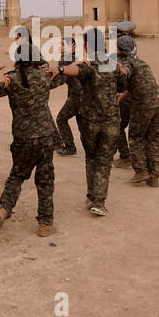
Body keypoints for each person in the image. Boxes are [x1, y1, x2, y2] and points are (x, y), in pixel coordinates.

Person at [0, 30, 56, 237]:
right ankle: (45, 223)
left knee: (16, 176)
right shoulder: (44, 77)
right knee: (45, 180)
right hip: (45, 136)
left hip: (23, 138)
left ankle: (4, 209)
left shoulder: (12, 79)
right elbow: (56, 76)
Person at [56, 27, 121, 217]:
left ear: (86, 45)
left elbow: (72, 71)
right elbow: (123, 81)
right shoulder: (113, 64)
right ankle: (98, 200)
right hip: (110, 121)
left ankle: (93, 197)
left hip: (90, 121)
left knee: (91, 158)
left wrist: (59, 68)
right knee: (104, 160)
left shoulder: (87, 65)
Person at [115, 35, 159, 187]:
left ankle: (141, 171)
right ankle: (154, 177)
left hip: (143, 106)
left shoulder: (126, 62)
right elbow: (135, 86)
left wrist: (118, 69)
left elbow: (125, 72)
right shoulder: (142, 63)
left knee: (136, 138)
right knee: (155, 140)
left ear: (120, 50)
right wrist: (121, 97)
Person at [111, 21, 136, 168]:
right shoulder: (133, 53)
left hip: (123, 96)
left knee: (119, 126)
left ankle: (126, 157)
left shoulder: (119, 58)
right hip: (133, 95)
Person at [53, 36, 81, 156]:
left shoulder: (66, 60)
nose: (60, 46)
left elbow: (61, 77)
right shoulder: (74, 59)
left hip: (77, 96)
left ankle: (70, 147)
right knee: (82, 122)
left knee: (61, 119)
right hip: (81, 95)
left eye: (63, 45)